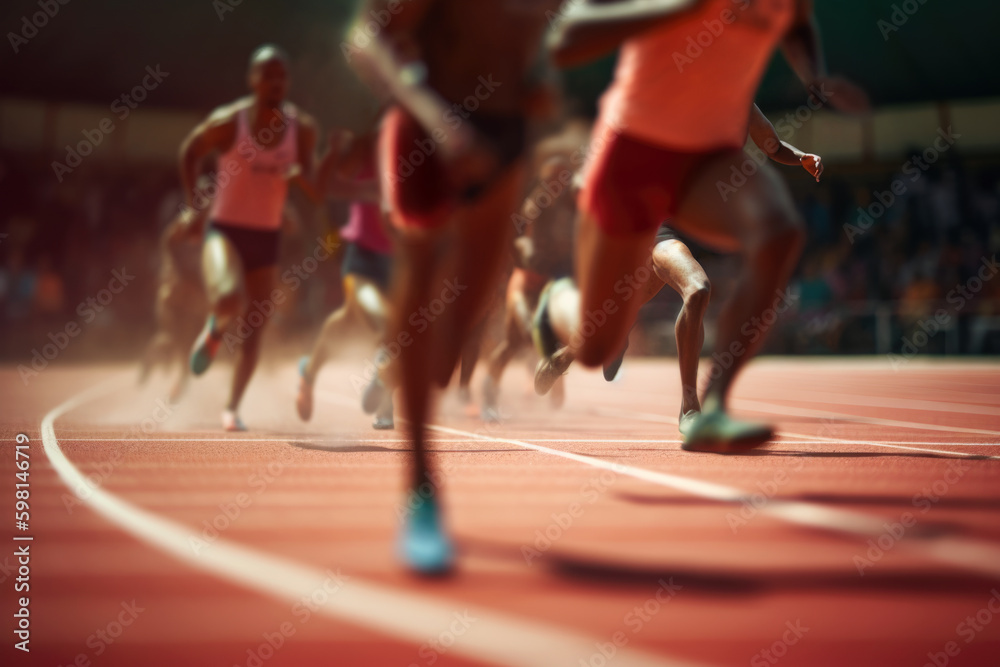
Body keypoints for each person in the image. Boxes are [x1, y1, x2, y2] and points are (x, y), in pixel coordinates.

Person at [535, 0, 867, 452]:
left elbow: (771, 134)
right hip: (633, 158)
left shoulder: (741, 85)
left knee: (771, 236)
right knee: (598, 342)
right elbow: (566, 38)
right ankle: (558, 301)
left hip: (699, 174)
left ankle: (702, 408)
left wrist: (815, 79)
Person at [349, 0, 562, 573]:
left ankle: (395, 365)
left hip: (503, 132)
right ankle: (421, 489)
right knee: (419, 281)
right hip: (428, 123)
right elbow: (364, 39)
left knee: (457, 330)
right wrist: (437, 121)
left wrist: (537, 84)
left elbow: (536, 44)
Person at [535, 104, 824, 436]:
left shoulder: (741, 100)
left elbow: (772, 145)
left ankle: (571, 353)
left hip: (701, 231)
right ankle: (690, 405)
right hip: (664, 225)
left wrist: (801, 156)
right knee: (698, 289)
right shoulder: (682, 94)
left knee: (622, 311)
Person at [179, 44, 329, 431]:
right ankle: (214, 329)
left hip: (267, 237)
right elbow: (189, 152)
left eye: (283, 75)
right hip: (224, 231)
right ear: (253, 79)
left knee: (254, 329)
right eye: (268, 74)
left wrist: (300, 179)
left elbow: (317, 190)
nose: (276, 82)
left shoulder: (303, 129)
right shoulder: (230, 122)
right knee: (229, 297)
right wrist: (194, 203)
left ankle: (231, 408)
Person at [295, 130, 398, 429]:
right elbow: (325, 187)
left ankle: (310, 371)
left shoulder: (427, 155)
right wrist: (333, 153)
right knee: (387, 323)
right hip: (364, 260)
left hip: (403, 260)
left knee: (349, 321)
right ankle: (384, 400)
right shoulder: (368, 149)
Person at [482, 152, 576, 422]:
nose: (559, 181)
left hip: (550, 284)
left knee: (550, 334)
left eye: (563, 176)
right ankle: (490, 392)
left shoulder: (573, 211)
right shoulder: (535, 206)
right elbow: (511, 238)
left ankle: (554, 374)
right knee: (520, 337)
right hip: (524, 283)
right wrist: (519, 253)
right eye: (553, 177)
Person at [138, 207, 209, 403]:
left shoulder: (209, 235)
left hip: (192, 302)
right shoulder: (181, 228)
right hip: (172, 298)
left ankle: (179, 388)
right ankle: (149, 361)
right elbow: (170, 240)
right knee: (168, 339)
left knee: (188, 348)